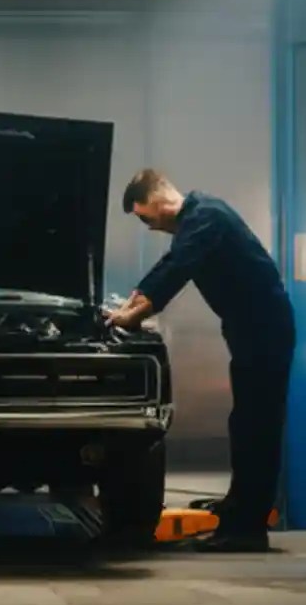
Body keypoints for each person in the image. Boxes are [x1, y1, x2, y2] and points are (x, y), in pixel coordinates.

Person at [107, 169, 296, 553]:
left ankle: (247, 529)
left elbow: (178, 268)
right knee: (244, 423)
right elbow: (168, 265)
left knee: (256, 428)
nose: (149, 227)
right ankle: (239, 508)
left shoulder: (207, 216)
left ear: (157, 201)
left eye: (144, 217)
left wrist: (133, 317)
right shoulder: (198, 219)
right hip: (251, 330)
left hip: (264, 331)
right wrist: (129, 304)